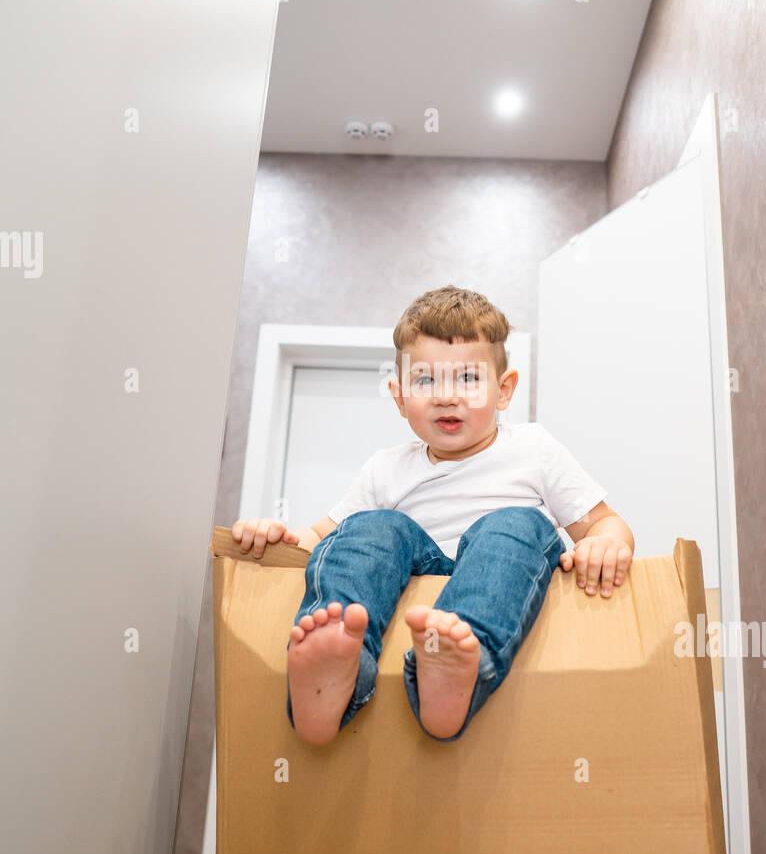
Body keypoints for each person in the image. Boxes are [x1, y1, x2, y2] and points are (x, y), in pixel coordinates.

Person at [232, 285, 635, 746]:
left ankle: (457, 660)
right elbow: (318, 541)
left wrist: (605, 541)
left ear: (504, 391)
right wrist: (273, 536)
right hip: (411, 572)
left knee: (517, 524)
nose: (447, 396)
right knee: (368, 528)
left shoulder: (534, 450)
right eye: (425, 381)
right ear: (400, 397)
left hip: (496, 578)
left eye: (468, 379)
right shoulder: (386, 468)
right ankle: (338, 665)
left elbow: (605, 522)